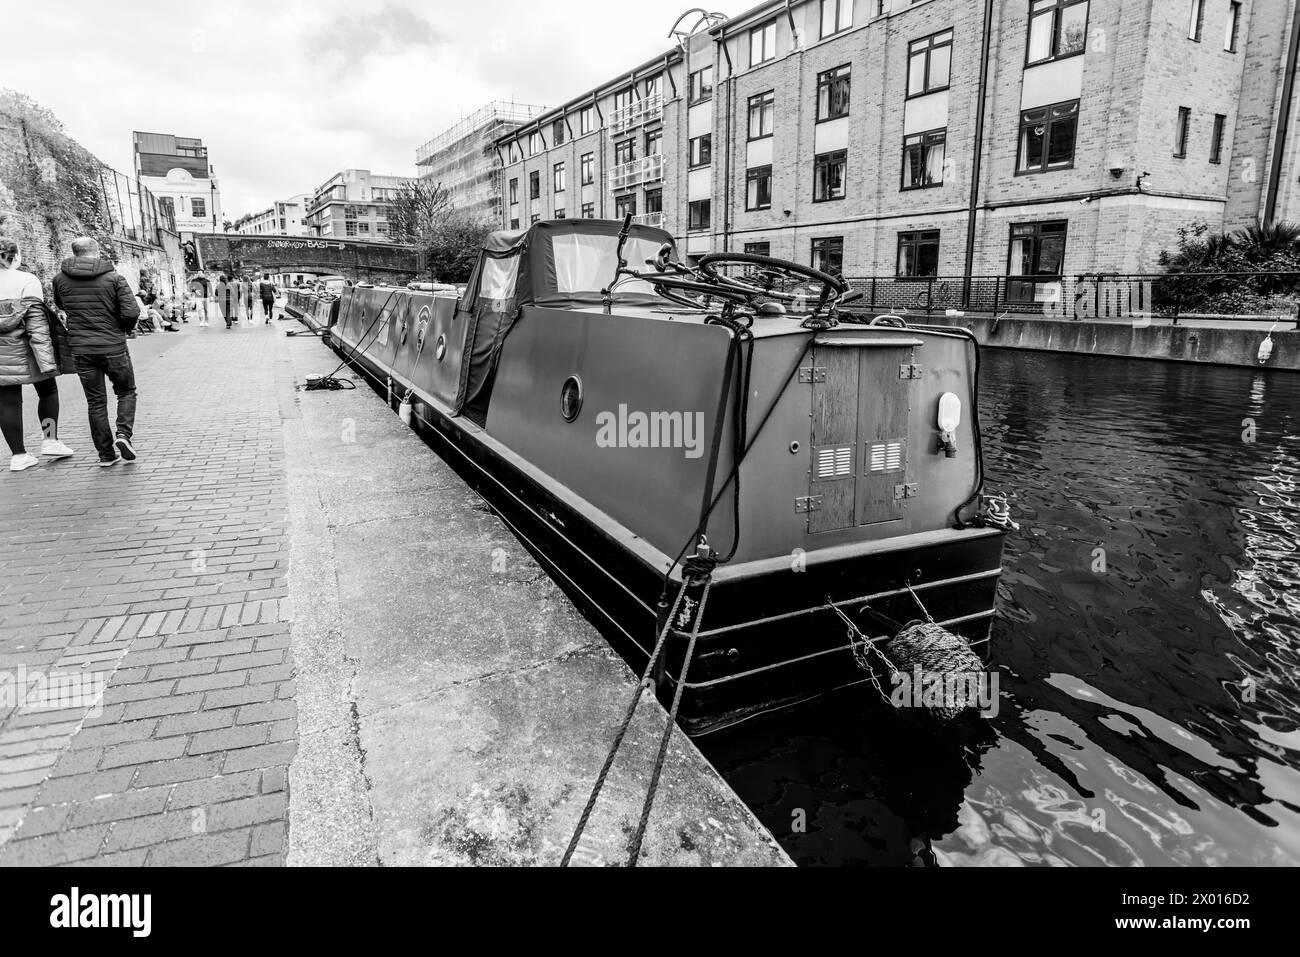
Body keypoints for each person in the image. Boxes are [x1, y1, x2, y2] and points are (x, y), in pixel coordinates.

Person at [52, 236, 140, 467]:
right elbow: (131, 312)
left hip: (81, 348)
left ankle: (106, 455)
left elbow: (61, 305)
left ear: (74, 253)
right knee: (126, 391)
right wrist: (122, 329)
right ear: (97, 251)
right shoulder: (114, 278)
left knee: (96, 402)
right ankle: (123, 435)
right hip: (113, 347)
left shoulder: (60, 280)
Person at [0, 237, 74, 472]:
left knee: (7, 402)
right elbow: (37, 324)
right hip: (28, 349)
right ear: (14, 256)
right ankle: (51, 439)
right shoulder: (27, 280)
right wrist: (47, 360)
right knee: (48, 391)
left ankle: (19, 455)